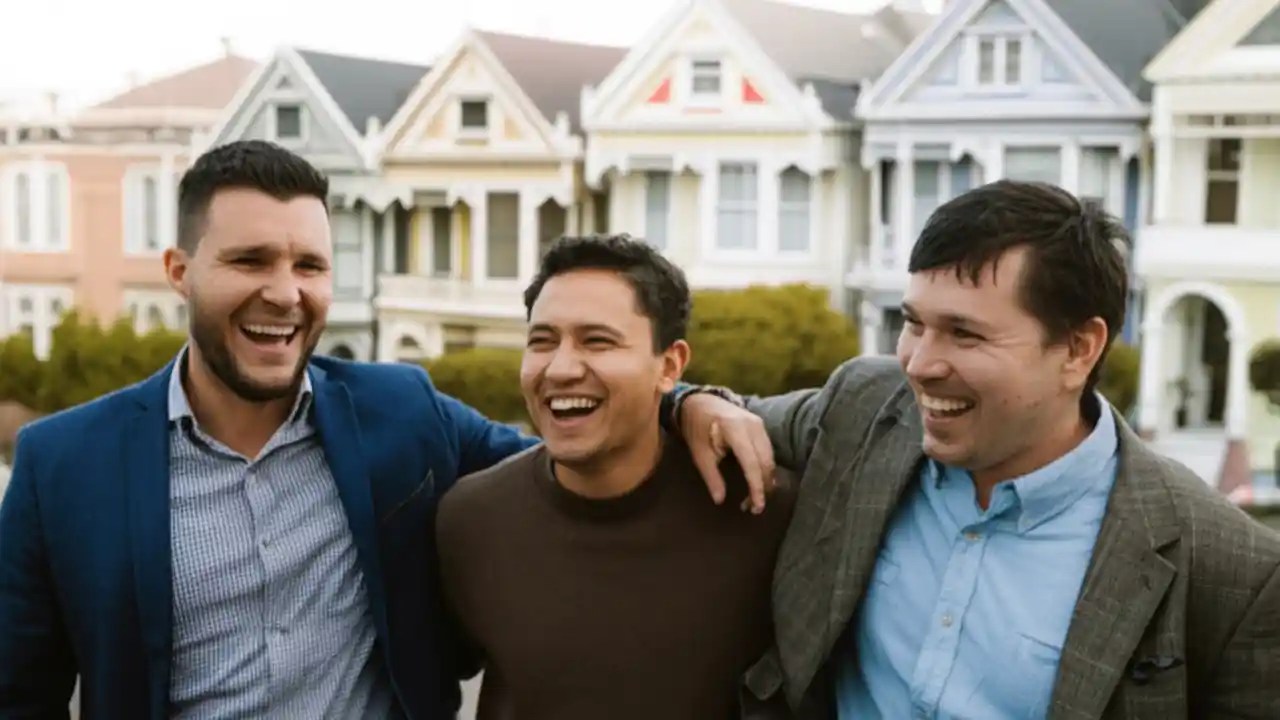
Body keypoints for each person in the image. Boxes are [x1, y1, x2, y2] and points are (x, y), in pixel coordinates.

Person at [0, 140, 769, 720]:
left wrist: (686, 401)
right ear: (179, 270)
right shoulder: (62, 463)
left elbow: (580, 451)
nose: (285, 292)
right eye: (250, 260)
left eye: (310, 264)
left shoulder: (402, 411)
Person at [678, 180, 1280, 718]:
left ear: (1078, 349)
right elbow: (722, 410)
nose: (919, 363)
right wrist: (690, 403)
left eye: (964, 333)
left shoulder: (1235, 571)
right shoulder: (864, 408)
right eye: (914, 323)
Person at [435, 235, 798, 719]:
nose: (560, 369)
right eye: (542, 341)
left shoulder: (764, 509)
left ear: (670, 366)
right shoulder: (468, 521)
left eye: (597, 341)